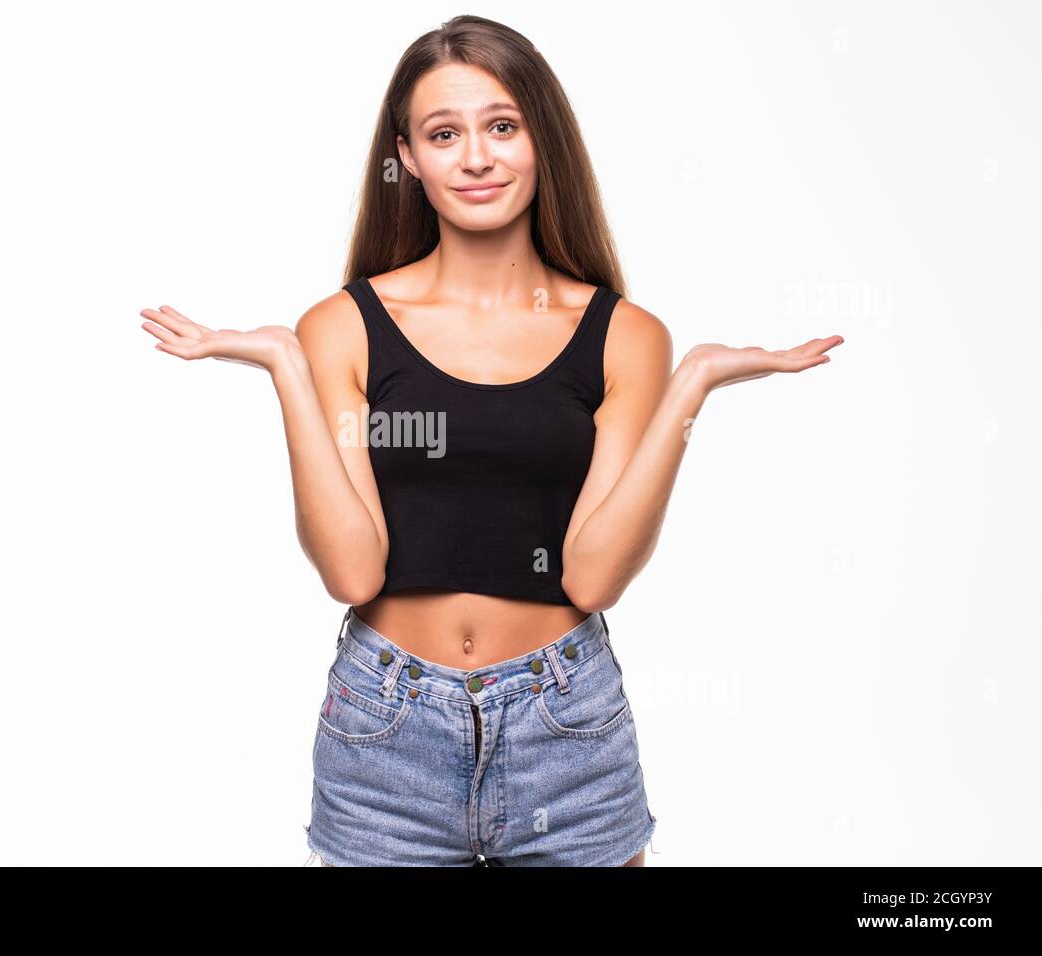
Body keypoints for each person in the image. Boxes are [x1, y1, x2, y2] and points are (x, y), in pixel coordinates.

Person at [139, 15, 842, 866]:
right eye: (445, 134)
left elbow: (591, 575)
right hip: (384, 733)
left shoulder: (626, 337)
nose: (476, 157)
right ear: (409, 157)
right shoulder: (341, 328)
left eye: (501, 126)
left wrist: (689, 384)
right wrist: (287, 365)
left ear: (541, 139)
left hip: (567, 731)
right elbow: (352, 572)